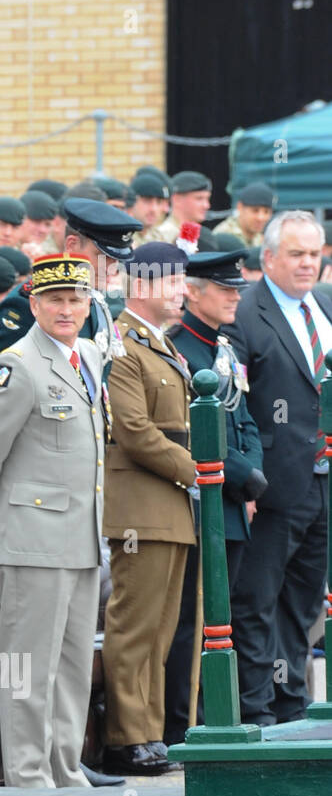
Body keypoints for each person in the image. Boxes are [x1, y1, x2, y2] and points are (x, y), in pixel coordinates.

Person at [0, 253, 107, 787]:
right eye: (54, 300)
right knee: (30, 667)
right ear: (34, 304)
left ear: (89, 304)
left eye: (75, 299)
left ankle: (65, 769)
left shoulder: (87, 355)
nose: (66, 309)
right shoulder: (17, 364)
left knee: (72, 666)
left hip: (83, 536)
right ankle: (28, 777)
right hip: (32, 537)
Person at [222, 211, 332, 726]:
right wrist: (248, 473)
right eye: (296, 253)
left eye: (315, 253)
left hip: (323, 482)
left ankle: (292, 704)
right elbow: (235, 403)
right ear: (268, 258)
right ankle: (257, 708)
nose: (308, 263)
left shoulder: (326, 306)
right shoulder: (245, 314)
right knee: (258, 599)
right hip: (272, 483)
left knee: (304, 602)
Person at [163, 248, 266, 745]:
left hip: (234, 502)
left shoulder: (224, 346)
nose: (234, 299)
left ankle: (222, 714)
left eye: (237, 290)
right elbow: (194, 431)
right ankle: (187, 724)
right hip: (203, 502)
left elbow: (242, 417)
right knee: (196, 623)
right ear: (193, 292)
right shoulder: (180, 348)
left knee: (229, 616)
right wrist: (244, 474)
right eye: (224, 290)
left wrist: (253, 472)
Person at [99, 243, 194, 776]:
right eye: (172, 281)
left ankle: (150, 734)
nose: (181, 291)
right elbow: (133, 431)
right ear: (142, 285)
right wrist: (195, 470)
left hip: (170, 504)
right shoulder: (120, 344)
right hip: (141, 503)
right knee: (136, 626)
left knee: (161, 629)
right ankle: (127, 737)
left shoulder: (161, 345)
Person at [0, 198, 141, 410]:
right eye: (101, 256)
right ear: (71, 246)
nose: (110, 267)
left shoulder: (96, 301)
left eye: (115, 260)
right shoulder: (28, 304)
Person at [213, 181, 276, 250]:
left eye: (266, 212)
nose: (260, 218)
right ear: (240, 207)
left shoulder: (260, 237)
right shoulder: (224, 236)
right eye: (255, 210)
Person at [153, 171, 212, 243]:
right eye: (199, 198)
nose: (206, 205)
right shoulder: (162, 237)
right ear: (177, 199)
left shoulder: (203, 237)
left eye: (207, 199)